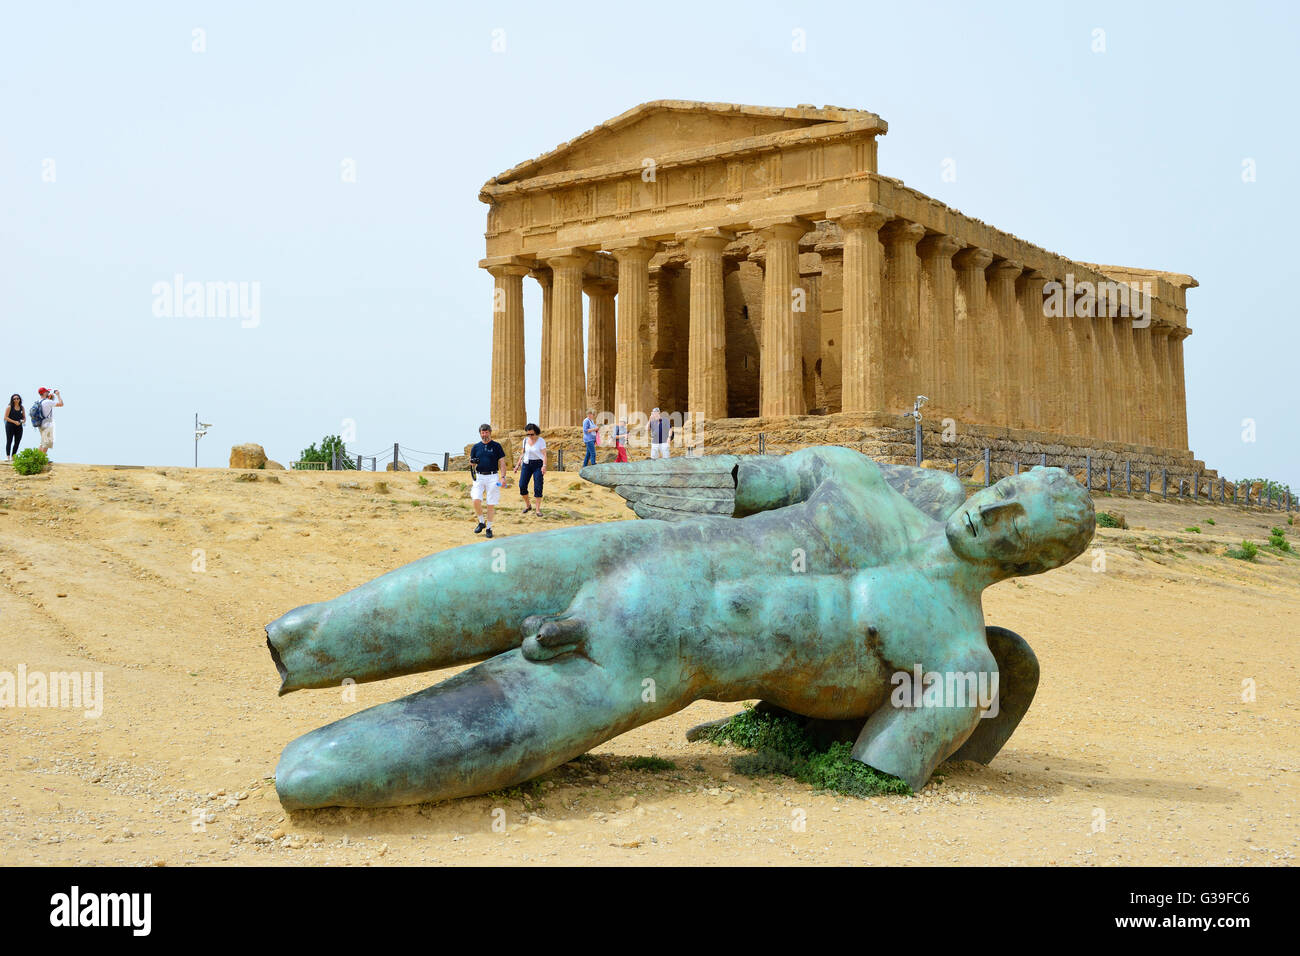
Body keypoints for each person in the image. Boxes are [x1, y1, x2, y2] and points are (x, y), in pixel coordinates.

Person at [468, 423, 507, 539]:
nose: (484, 435)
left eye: (486, 432)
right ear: (480, 434)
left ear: (490, 432)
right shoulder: (475, 447)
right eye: (482, 433)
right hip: (479, 477)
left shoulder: (497, 446)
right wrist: (472, 462)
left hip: (493, 477)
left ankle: (489, 528)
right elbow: (472, 462)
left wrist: (503, 477)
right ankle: (481, 522)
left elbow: (502, 462)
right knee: (476, 499)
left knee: (490, 504)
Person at [516, 423, 546, 516]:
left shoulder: (541, 441)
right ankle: (528, 505)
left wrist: (544, 466)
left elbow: (544, 454)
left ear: (536, 432)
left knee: (538, 486)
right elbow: (522, 453)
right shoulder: (525, 440)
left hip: (538, 464)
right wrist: (517, 465)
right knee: (522, 485)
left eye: (532, 434)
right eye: (528, 434)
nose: (530, 436)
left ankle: (537, 510)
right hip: (526, 464)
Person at [34, 388, 62, 454]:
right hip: (47, 423)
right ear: (44, 393)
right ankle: (42, 459)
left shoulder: (38, 401)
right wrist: (58, 395)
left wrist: (50, 399)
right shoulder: (48, 401)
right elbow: (61, 404)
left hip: (40, 423)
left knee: (43, 442)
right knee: (47, 443)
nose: (48, 393)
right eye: (47, 392)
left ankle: (37, 458)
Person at [4, 394, 24, 463]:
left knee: (17, 442)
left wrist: (23, 421)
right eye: (14, 399)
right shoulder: (9, 407)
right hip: (10, 426)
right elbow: (5, 417)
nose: (16, 400)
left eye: (17, 398)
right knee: (9, 440)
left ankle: (13, 457)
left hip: (19, 426)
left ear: (20, 399)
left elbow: (24, 417)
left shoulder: (22, 407)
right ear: (12, 400)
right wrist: (14, 422)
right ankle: (8, 456)